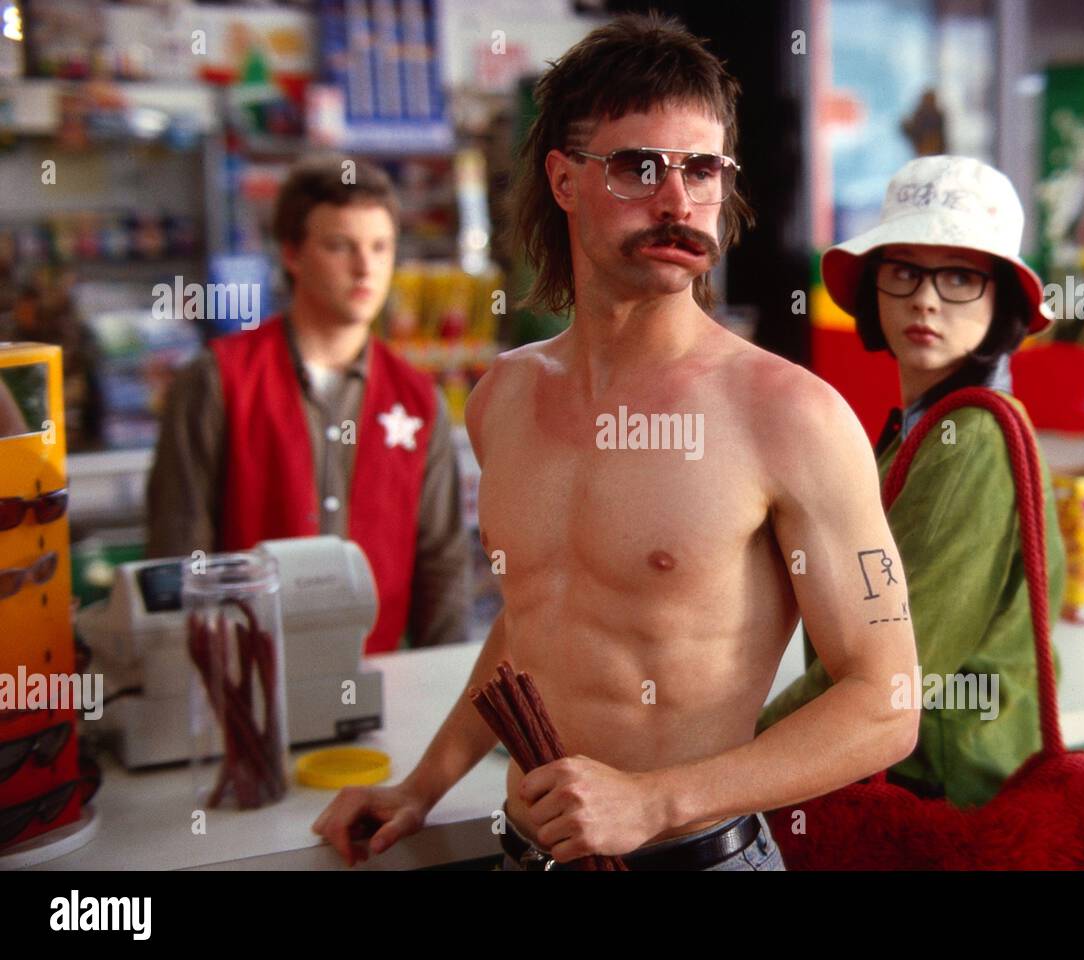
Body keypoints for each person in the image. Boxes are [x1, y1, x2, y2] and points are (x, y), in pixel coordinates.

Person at [311, 13, 919, 871]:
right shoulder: (505, 399)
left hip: (694, 857)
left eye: (702, 169)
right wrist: (423, 784)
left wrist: (654, 799)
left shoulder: (790, 415)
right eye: (639, 167)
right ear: (563, 178)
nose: (677, 201)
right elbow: (532, 625)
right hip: (527, 850)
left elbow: (887, 702)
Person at [758, 155, 1067, 810]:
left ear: (1001, 300)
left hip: (941, 796)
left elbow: (898, 670)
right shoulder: (919, 429)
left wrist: (734, 756)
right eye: (904, 272)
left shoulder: (976, 440)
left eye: (960, 276)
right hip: (901, 773)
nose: (926, 298)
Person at [147, 157, 470, 652]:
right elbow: (178, 549)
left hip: (380, 680)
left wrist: (447, 689)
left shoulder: (419, 399)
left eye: (380, 247)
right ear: (293, 254)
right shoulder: (217, 380)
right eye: (340, 246)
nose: (366, 268)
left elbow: (442, 565)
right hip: (243, 685)